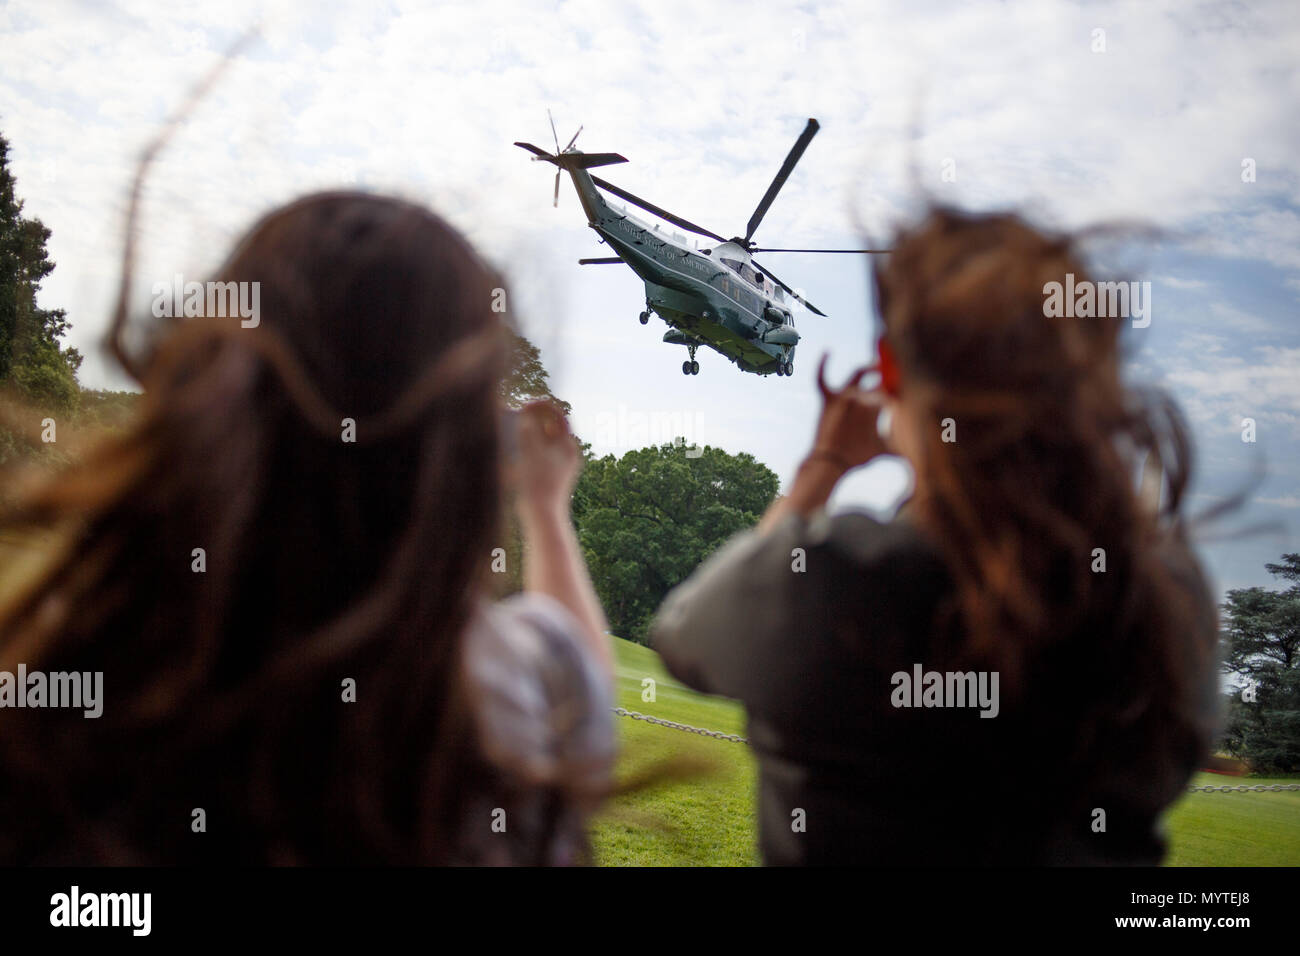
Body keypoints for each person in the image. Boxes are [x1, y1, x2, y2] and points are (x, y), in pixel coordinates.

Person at [0, 192, 614, 865]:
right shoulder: (506, 695)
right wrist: (548, 507)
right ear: (462, 457)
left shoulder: (78, 666)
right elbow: (579, 688)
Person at [651, 206, 1220, 866]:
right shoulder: (1169, 593)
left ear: (890, 370)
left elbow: (682, 635)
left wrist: (822, 467)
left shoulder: (831, 580)